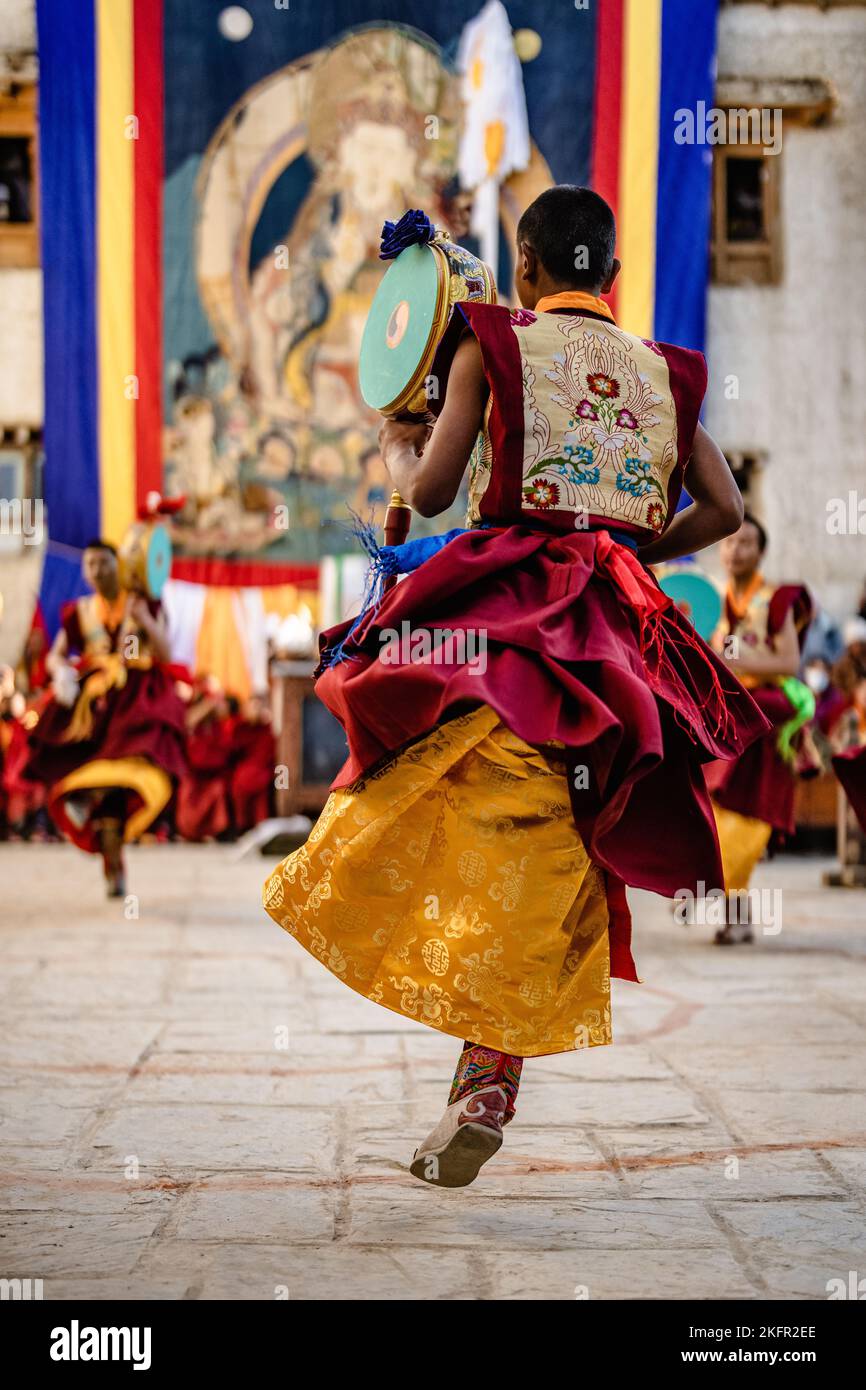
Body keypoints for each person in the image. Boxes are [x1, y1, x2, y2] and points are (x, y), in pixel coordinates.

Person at [262, 186, 767, 1187]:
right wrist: (629, 548)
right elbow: (725, 504)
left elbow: (434, 489)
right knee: (559, 851)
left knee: (429, 799)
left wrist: (393, 447)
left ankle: (480, 1072)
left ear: (525, 269)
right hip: (618, 643)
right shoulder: (660, 372)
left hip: (507, 624)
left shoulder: (490, 342)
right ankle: (486, 1077)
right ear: (609, 276)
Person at [23, 539, 186, 895]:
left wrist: (143, 618)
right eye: (91, 565)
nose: (98, 571)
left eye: (104, 564)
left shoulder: (141, 603)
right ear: (84, 571)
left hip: (133, 700)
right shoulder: (81, 610)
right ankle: (93, 824)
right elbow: (57, 654)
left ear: (118, 566)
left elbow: (166, 652)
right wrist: (60, 672)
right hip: (94, 703)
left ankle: (110, 837)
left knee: (122, 772)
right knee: (74, 756)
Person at [705, 515, 814, 943]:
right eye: (730, 543)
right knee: (718, 814)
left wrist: (737, 664)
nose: (736, 550)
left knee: (748, 819)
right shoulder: (712, 602)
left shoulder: (775, 600)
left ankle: (737, 914)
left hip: (763, 719)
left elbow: (788, 663)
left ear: (762, 551)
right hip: (727, 719)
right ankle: (737, 913)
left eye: (747, 542)